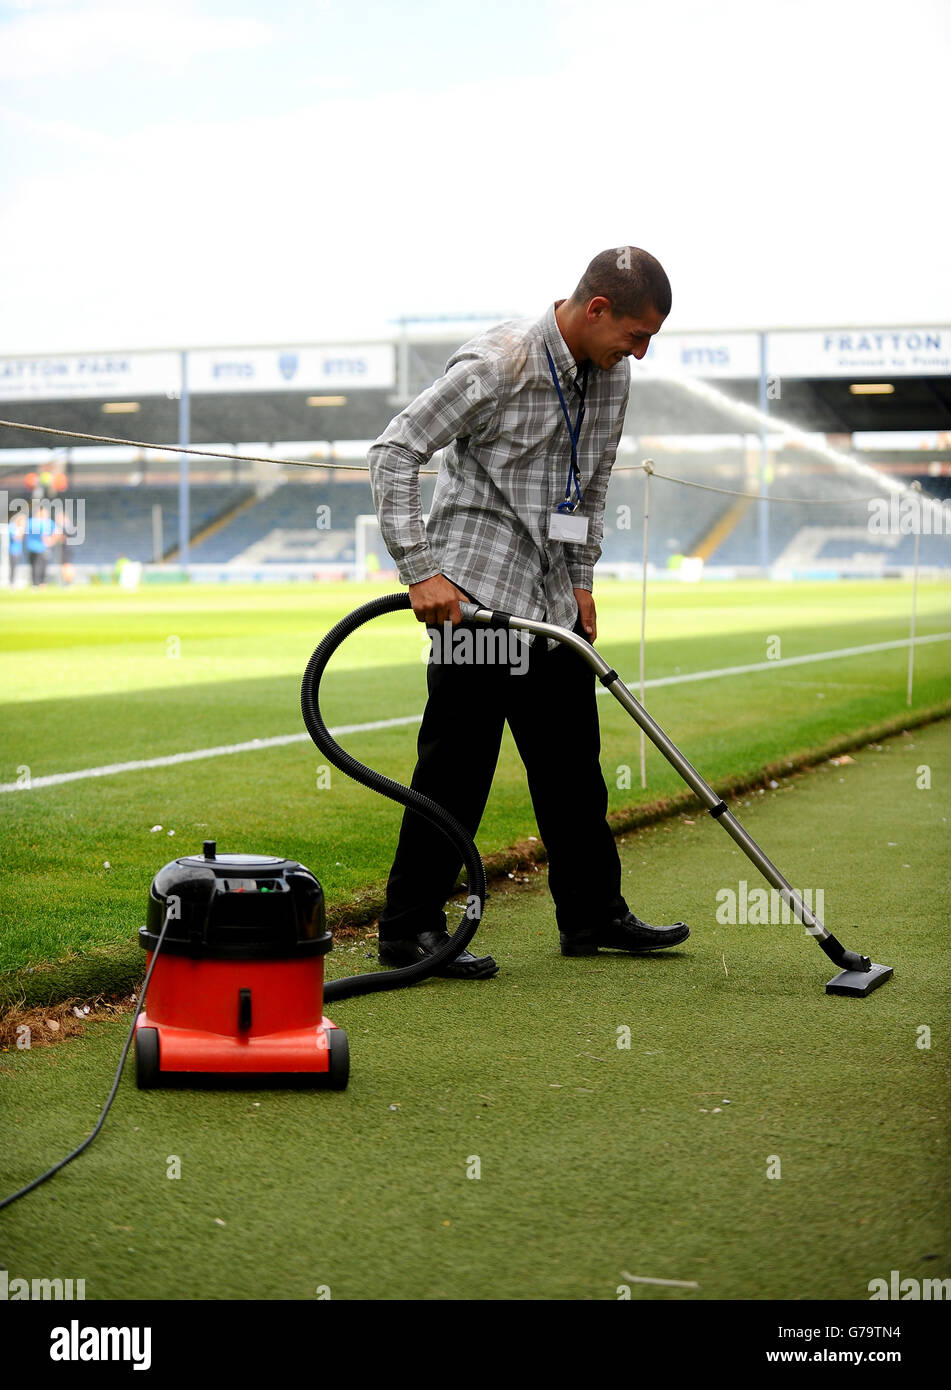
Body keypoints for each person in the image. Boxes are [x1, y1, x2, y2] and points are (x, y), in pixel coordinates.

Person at [367, 247, 689, 979]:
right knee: (455, 772)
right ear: (596, 308)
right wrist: (421, 570)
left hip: (547, 602)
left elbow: (589, 483)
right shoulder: (498, 363)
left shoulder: (613, 377)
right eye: (635, 335)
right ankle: (409, 930)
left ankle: (591, 915)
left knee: (574, 768)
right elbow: (392, 451)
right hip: (476, 599)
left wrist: (580, 580)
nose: (640, 352)